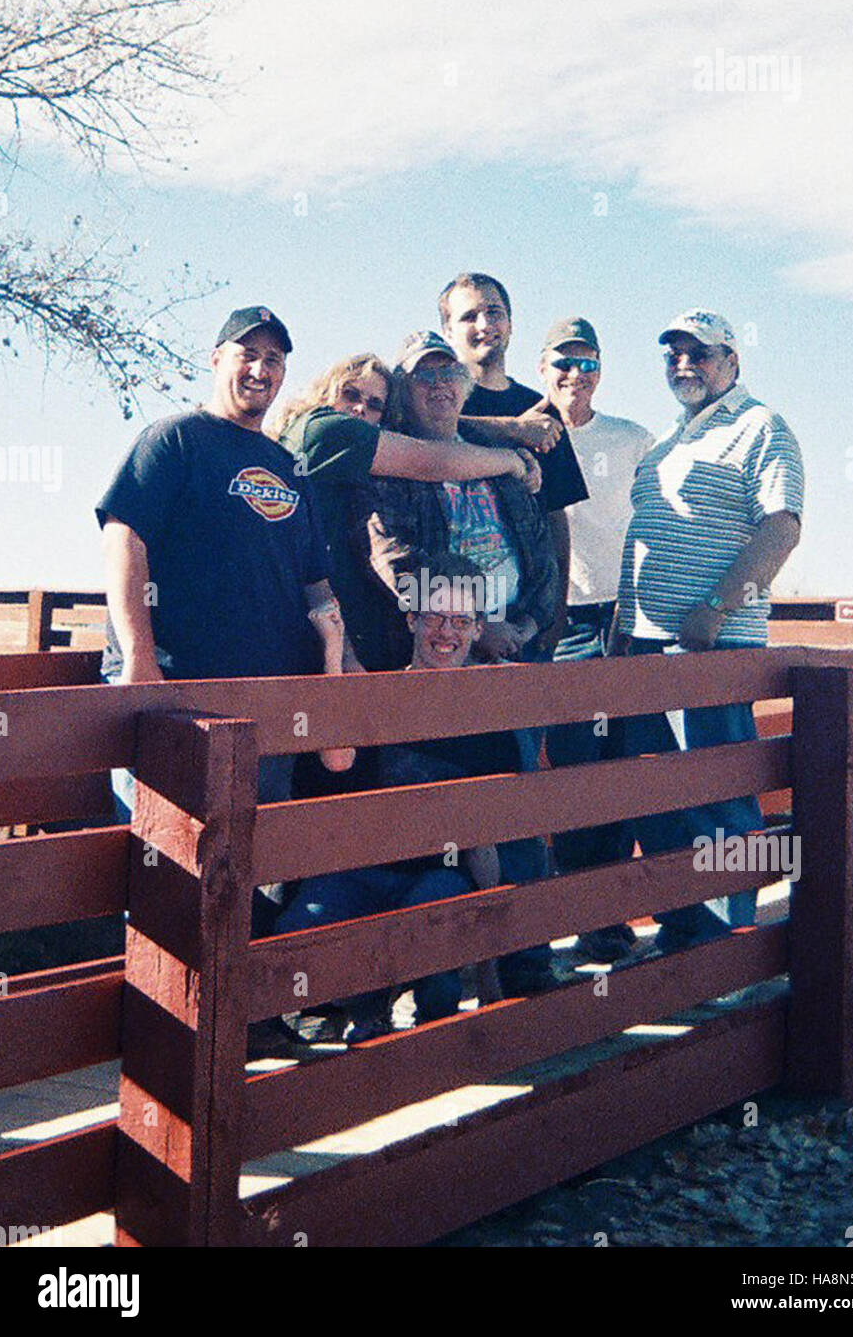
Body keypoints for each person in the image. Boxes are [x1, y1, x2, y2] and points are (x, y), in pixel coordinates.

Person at [96, 304, 354, 930]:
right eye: (248, 354)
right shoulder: (174, 440)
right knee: (169, 874)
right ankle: (166, 1028)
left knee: (251, 878)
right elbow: (124, 538)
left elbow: (314, 580)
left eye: (274, 359)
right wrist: (139, 659)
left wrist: (336, 659)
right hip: (172, 700)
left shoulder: (289, 468)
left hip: (263, 708)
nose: (261, 369)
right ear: (217, 360)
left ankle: (250, 1026)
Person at [276, 553, 557, 1042]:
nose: (445, 632)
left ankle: (430, 1022)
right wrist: (334, 654)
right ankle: (363, 1003)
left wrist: (490, 981)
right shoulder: (377, 694)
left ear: (476, 631)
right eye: (434, 617)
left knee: (436, 933)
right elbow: (335, 774)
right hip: (366, 869)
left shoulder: (489, 723)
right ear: (411, 619)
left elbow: (484, 846)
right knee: (299, 933)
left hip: (438, 877)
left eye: (461, 621)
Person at [611, 309, 804, 953]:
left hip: (712, 649)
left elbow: (780, 529)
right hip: (645, 649)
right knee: (661, 791)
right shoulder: (668, 443)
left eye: (700, 353)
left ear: (732, 361)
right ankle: (684, 932)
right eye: (673, 354)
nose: (684, 364)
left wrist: (716, 609)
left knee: (718, 795)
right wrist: (622, 628)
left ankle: (728, 943)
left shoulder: (761, 427)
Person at [267, 348, 541, 671]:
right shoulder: (324, 430)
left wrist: (506, 428)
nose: (359, 408)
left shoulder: (356, 453)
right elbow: (429, 461)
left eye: (374, 405)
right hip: (300, 626)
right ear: (327, 391)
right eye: (350, 394)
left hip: (347, 627)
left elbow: (440, 425)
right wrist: (512, 459)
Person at [538, 317, 653, 963]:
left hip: (624, 616)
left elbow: (658, 526)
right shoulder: (529, 433)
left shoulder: (633, 439)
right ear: (542, 366)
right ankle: (557, 911)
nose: (575, 375)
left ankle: (607, 922)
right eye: (564, 362)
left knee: (623, 769)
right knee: (569, 766)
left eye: (587, 363)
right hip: (559, 621)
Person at [359, 331, 559, 668]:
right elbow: (393, 558)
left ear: (464, 385)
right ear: (402, 394)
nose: (438, 384)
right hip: (443, 649)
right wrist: (473, 624)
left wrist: (524, 629)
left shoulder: (503, 458)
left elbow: (541, 551)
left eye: (448, 373)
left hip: (519, 645)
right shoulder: (388, 464)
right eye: (423, 376)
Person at [438, 271, 589, 657]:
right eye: (469, 316)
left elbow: (556, 519)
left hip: (526, 627)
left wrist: (555, 617)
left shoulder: (543, 411)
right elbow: (420, 435)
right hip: (443, 625)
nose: (485, 325)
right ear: (448, 330)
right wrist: (511, 431)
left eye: (495, 312)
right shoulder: (433, 400)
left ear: (510, 324)